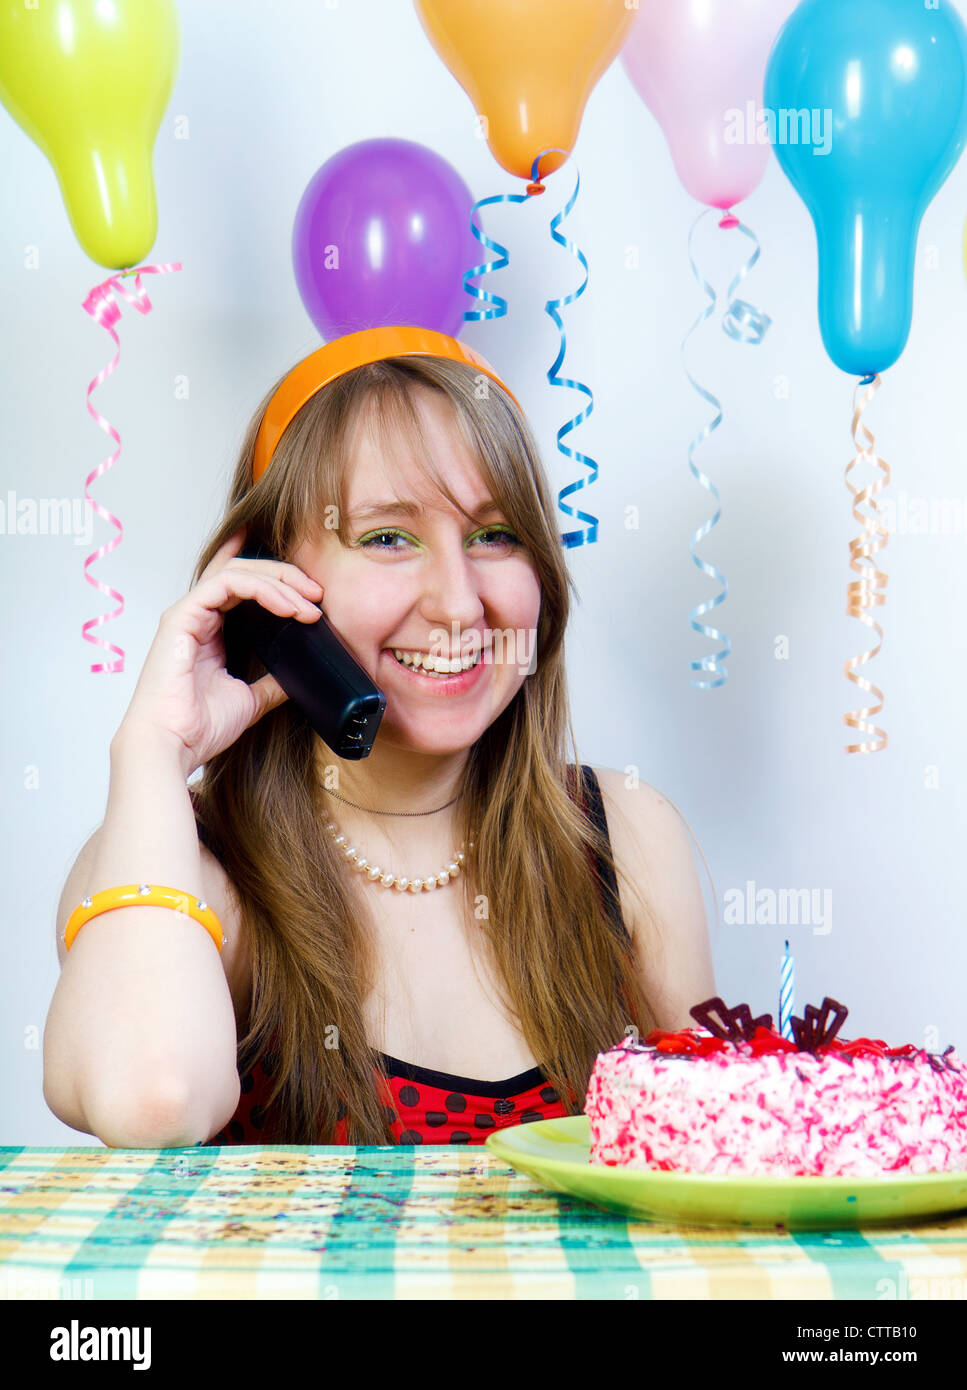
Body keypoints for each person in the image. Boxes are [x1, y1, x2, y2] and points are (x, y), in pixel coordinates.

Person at [44, 325, 716, 1149]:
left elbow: (708, 1156)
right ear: (267, 580)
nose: (459, 605)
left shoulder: (625, 837)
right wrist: (150, 754)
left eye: (493, 535)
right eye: (387, 537)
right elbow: (148, 1103)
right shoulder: (176, 858)